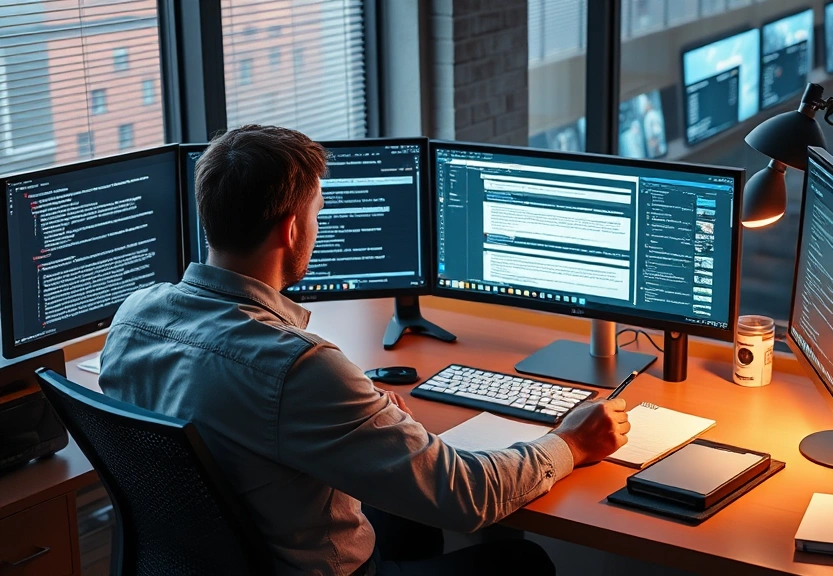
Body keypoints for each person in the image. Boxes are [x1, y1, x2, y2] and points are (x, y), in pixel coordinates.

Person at [98, 125, 630, 576]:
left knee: (405, 516)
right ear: (290, 229)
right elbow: (467, 497)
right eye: (317, 213)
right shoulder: (298, 368)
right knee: (521, 561)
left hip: (207, 558)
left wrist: (359, 416)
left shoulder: (132, 318)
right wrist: (571, 443)